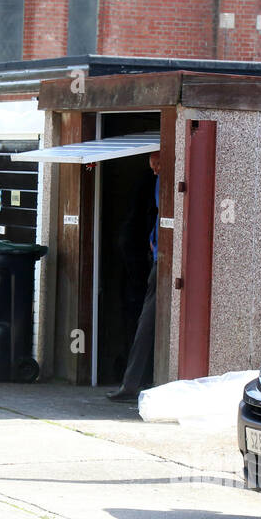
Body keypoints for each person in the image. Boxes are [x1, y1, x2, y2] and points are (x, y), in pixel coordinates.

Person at [108, 151, 163, 403]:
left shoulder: (161, 182)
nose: (154, 172)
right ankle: (134, 382)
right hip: (151, 260)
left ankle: (131, 384)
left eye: (156, 165)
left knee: (145, 321)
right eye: (151, 167)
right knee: (145, 320)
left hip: (154, 261)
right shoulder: (156, 182)